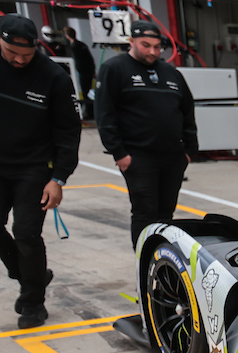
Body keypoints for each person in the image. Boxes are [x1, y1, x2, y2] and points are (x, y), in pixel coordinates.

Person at [0, 14, 81, 329]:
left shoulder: (53, 77)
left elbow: (68, 132)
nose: (20, 60)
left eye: (27, 55)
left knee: (26, 233)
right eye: (11, 54)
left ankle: (33, 302)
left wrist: (58, 178)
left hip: (34, 167)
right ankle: (29, 273)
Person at [94, 20, 198, 248]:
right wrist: (119, 154)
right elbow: (104, 114)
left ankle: (162, 265)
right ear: (131, 42)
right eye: (145, 45)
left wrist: (189, 151)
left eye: (157, 46)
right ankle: (143, 268)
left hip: (173, 157)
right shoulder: (114, 69)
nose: (152, 51)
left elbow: (187, 111)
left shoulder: (171, 73)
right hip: (138, 157)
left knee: (166, 214)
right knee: (145, 213)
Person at [62, 26, 95, 118]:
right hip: (87, 71)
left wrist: (78, 70)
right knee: (88, 92)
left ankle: (90, 113)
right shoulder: (81, 45)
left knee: (86, 92)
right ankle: (89, 112)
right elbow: (90, 59)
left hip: (84, 72)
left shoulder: (75, 46)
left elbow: (81, 60)